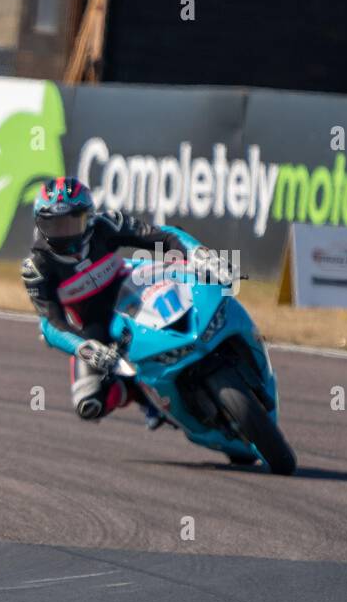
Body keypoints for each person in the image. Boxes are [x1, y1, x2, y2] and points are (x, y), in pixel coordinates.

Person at [21, 176, 231, 426]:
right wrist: (83, 347)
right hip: (93, 326)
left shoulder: (107, 224)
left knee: (194, 280)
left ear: (88, 218)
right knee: (89, 403)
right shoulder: (36, 267)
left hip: (133, 292)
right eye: (55, 225)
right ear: (39, 224)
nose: (65, 234)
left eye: (72, 223)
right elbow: (50, 323)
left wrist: (199, 254)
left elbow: (164, 236)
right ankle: (140, 393)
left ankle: (222, 337)